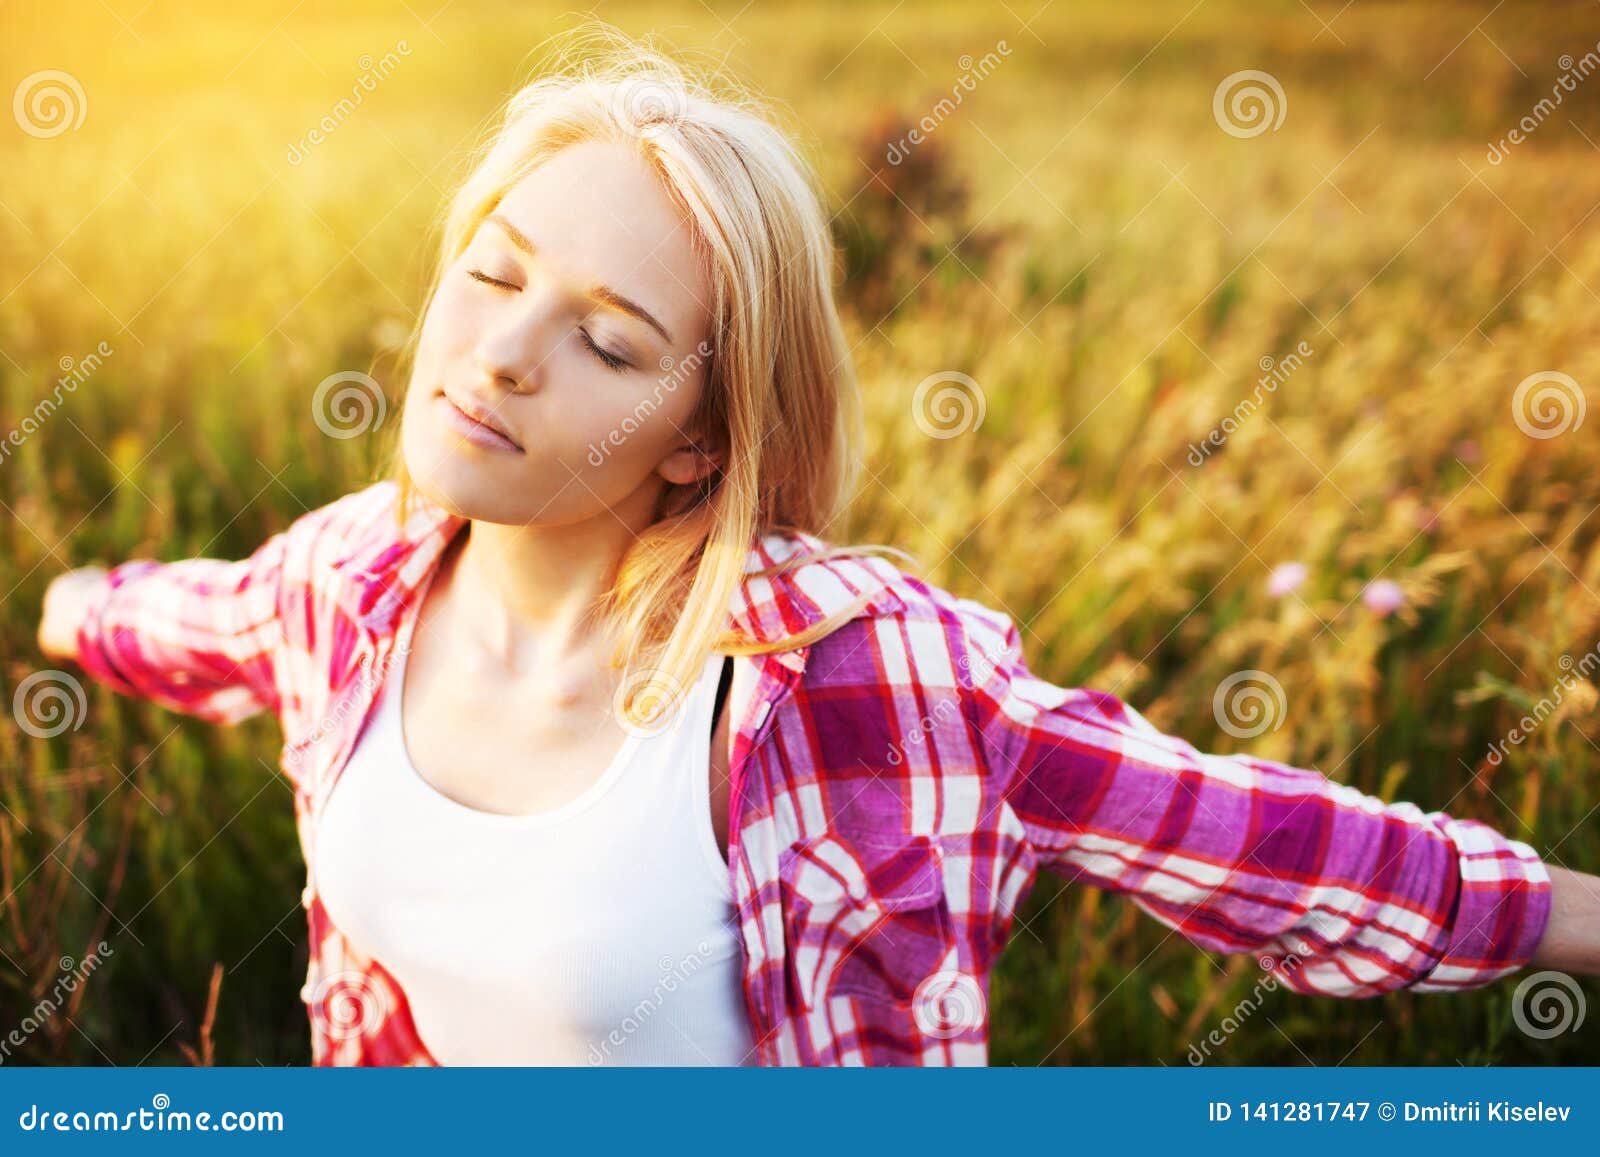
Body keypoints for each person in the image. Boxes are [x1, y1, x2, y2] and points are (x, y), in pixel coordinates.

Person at [35, 31, 1600, 1067]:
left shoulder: (842, 674)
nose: (499, 354)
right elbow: (198, 622)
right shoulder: (352, 579)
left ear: (702, 437)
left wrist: (1560, 918)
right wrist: (57, 605)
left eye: (607, 340)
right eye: (491, 272)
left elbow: (1242, 835)